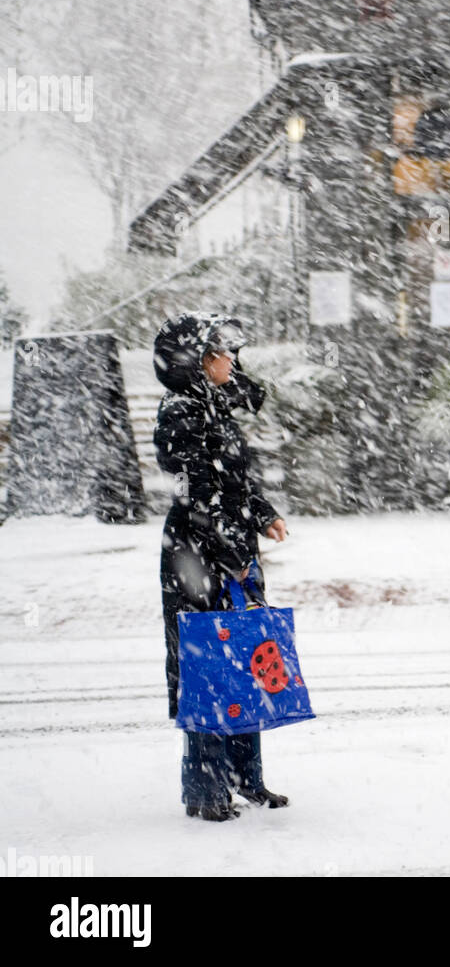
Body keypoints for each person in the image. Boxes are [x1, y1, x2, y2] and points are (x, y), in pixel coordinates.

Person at [155, 313, 289, 821]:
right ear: (194, 361)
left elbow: (232, 482)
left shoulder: (215, 406)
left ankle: (246, 779)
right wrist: (230, 555)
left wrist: (263, 514)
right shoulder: (181, 411)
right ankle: (206, 791)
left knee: (248, 660)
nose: (231, 362)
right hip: (197, 555)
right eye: (220, 354)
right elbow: (198, 495)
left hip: (231, 549)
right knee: (207, 666)